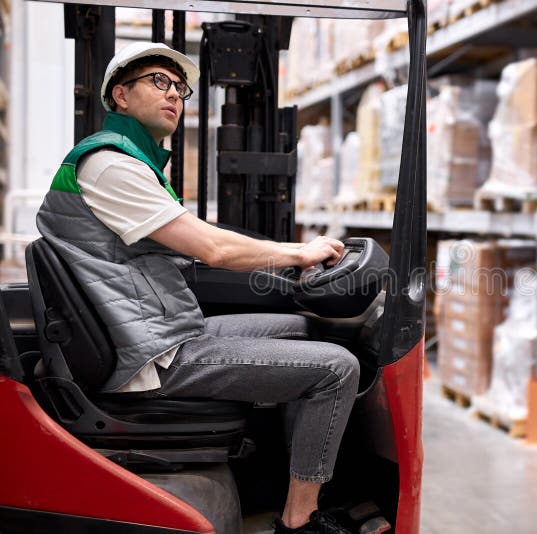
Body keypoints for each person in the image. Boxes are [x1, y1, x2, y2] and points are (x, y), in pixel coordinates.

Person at [36, 41, 358, 534]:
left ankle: (279, 480)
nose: (174, 96)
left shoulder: (133, 163)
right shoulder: (110, 165)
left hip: (155, 332)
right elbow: (214, 250)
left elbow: (195, 241)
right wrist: (297, 253)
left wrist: (284, 262)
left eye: (180, 88)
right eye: (159, 82)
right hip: (151, 358)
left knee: (298, 325)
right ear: (120, 96)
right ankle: (300, 520)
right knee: (338, 368)